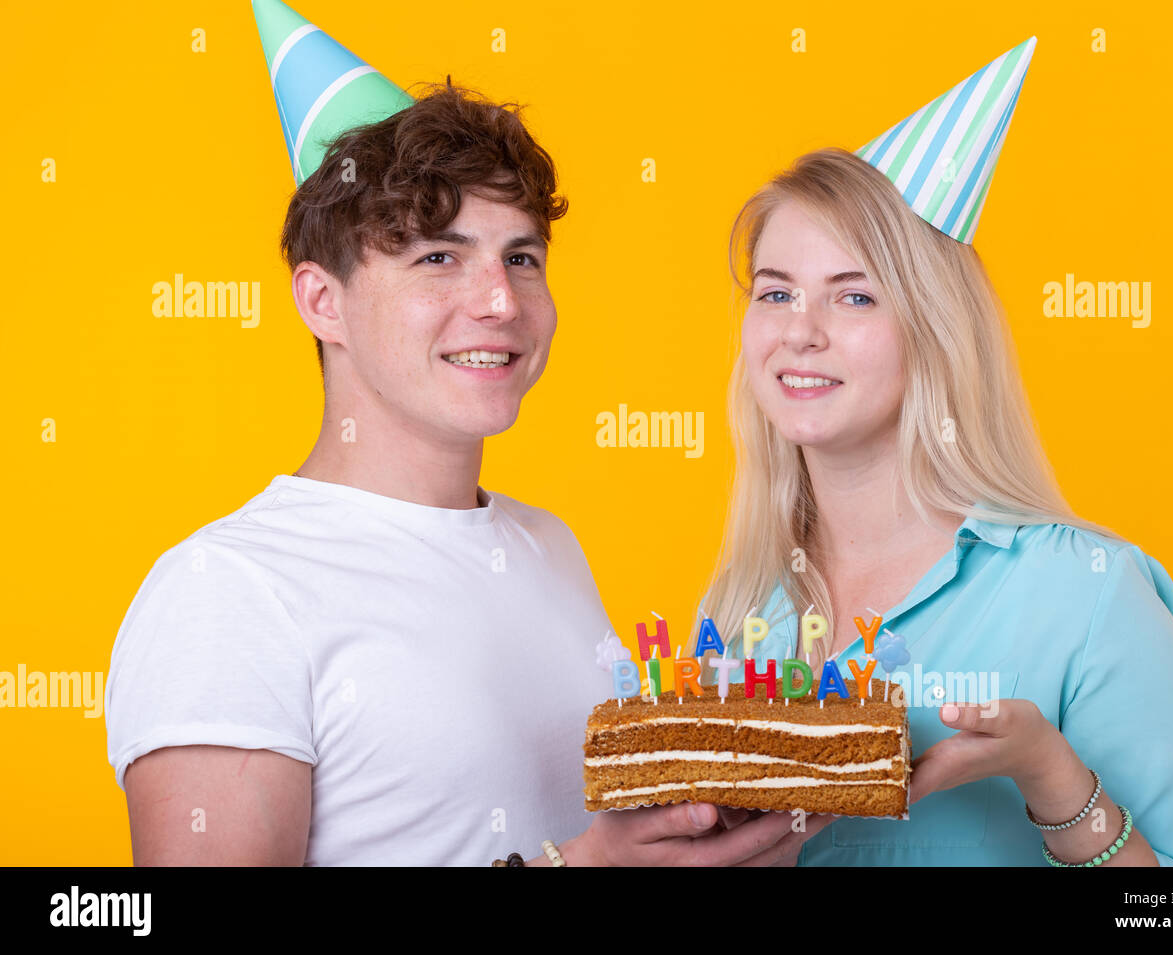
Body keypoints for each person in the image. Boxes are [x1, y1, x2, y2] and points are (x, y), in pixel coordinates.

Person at [104, 0, 828, 866]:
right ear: (321, 300)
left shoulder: (547, 546)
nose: (499, 301)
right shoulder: (228, 593)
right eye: (438, 257)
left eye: (521, 257)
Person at [697, 37, 1173, 866]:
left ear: (937, 331)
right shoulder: (740, 611)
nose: (800, 332)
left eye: (856, 295)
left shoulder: (1087, 594)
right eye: (776, 292)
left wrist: (1051, 775)